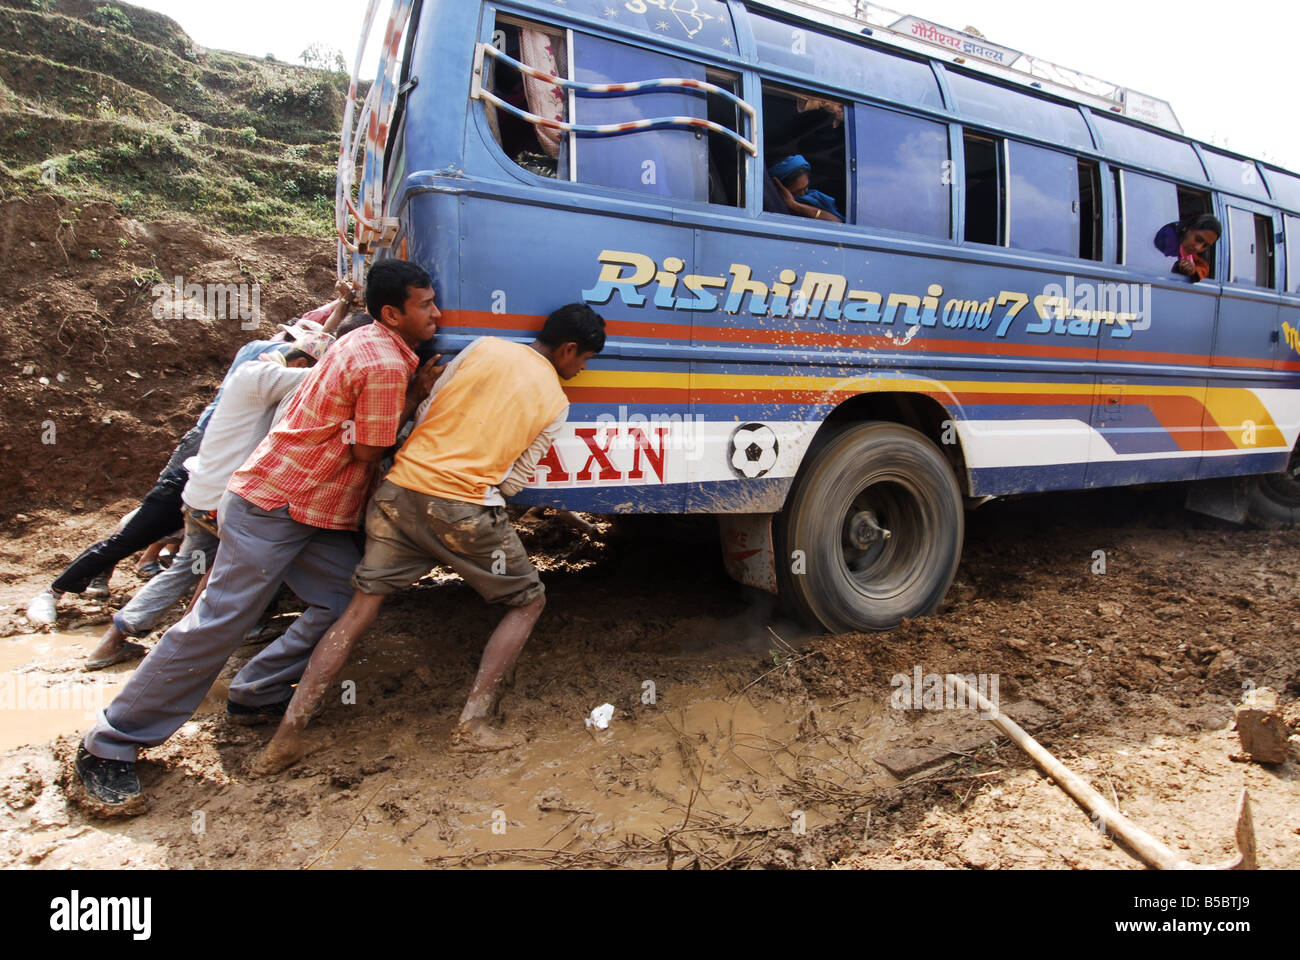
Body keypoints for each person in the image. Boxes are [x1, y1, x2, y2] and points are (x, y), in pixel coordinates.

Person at [73, 260, 443, 809]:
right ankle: (110, 741)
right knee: (218, 621)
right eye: (426, 305)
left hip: (306, 508)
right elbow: (369, 450)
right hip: (279, 505)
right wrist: (416, 396)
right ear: (393, 313)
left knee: (346, 599)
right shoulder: (387, 363)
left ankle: (255, 692)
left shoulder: (365, 338)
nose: (437, 313)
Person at [251, 303, 606, 775]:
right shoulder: (557, 401)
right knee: (527, 602)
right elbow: (515, 480)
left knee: (360, 609)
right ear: (567, 349)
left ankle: (287, 736)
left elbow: (429, 405)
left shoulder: (482, 348)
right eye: (583, 360)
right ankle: (473, 723)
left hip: (398, 492)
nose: (582, 370)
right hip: (460, 508)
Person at [24, 285, 363, 627]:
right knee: (146, 533)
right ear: (301, 356)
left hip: (204, 467)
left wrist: (343, 304)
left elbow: (318, 335)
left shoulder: (262, 356)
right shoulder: (270, 373)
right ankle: (58, 592)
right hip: (203, 461)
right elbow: (326, 375)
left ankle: (136, 620)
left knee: (193, 553)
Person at [82, 332, 334, 672]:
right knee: (218, 579)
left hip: (201, 493)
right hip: (224, 499)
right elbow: (334, 377)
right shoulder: (264, 376)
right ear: (301, 363)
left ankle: (114, 640)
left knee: (188, 568)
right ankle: (180, 654)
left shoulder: (251, 373)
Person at [768, 155, 844, 223]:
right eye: (797, 191)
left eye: (805, 188)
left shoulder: (814, 199)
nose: (803, 194)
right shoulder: (774, 208)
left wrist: (795, 205)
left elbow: (837, 223)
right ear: (781, 188)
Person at [1155, 214, 1222, 283]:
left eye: (1205, 246)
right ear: (1186, 228)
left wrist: (1193, 271)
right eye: (1198, 239)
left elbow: (1203, 267)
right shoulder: (1165, 242)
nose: (1198, 248)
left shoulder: (1187, 252)